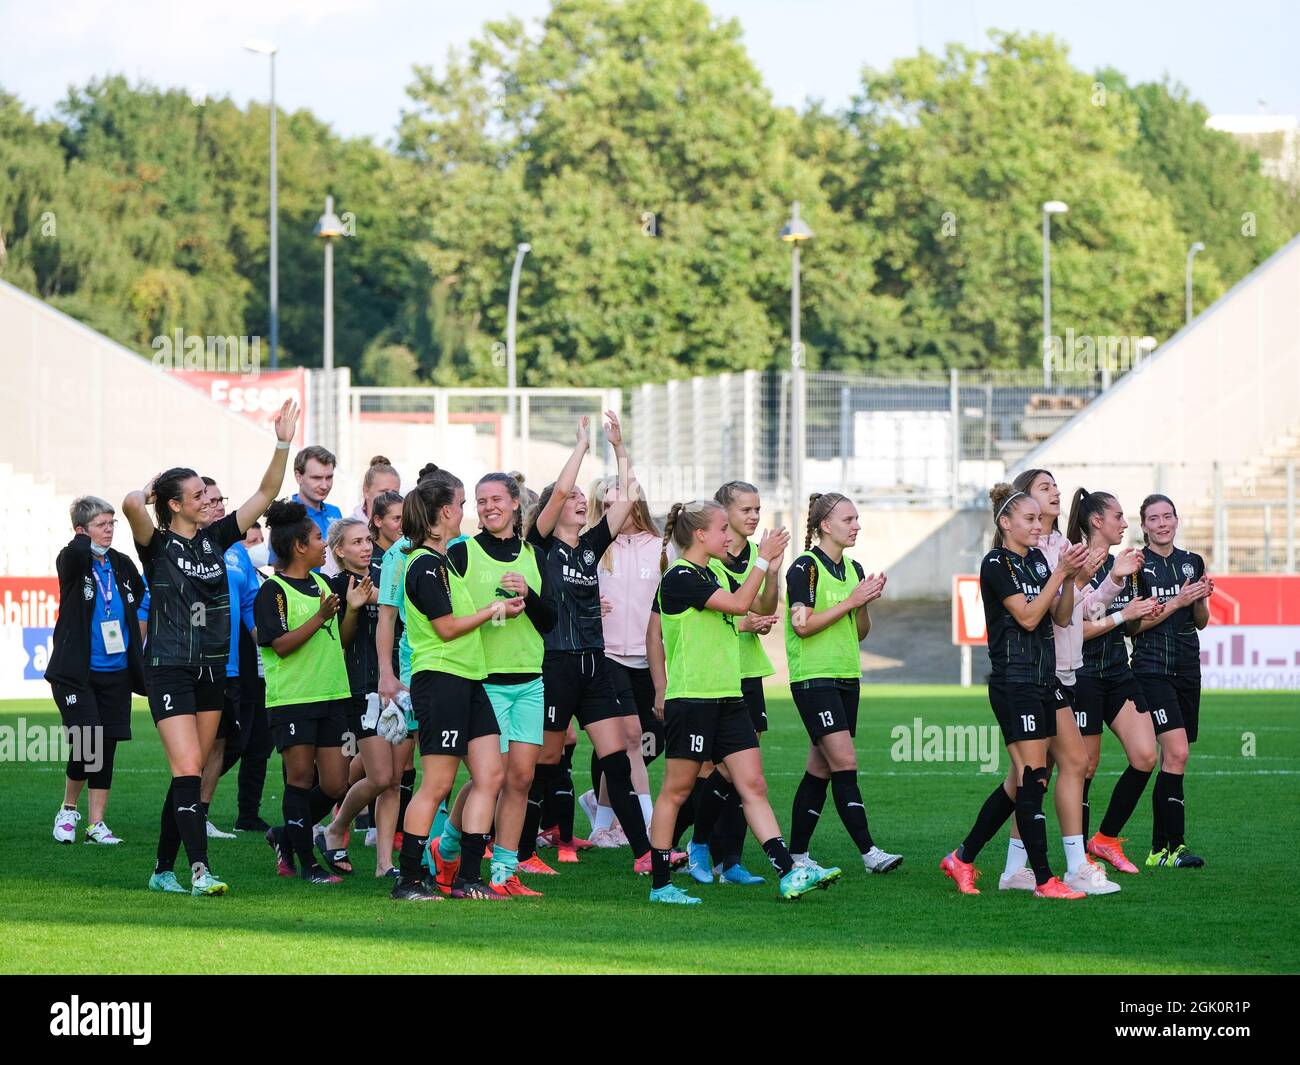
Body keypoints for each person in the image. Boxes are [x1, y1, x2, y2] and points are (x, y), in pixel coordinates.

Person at [122, 398, 298, 897]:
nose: (210, 500)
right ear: (175, 504)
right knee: (188, 771)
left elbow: (267, 491)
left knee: (191, 775)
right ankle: (200, 871)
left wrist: (283, 442)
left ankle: (161, 869)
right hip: (169, 669)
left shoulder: (216, 539)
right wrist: (156, 487)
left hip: (212, 671)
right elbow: (133, 502)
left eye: (209, 493)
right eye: (199, 494)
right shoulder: (156, 545)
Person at [645, 499, 836, 905]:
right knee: (676, 792)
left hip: (729, 697)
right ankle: (661, 883)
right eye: (721, 530)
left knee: (753, 784)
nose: (729, 536)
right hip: (692, 700)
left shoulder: (712, 571)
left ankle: (788, 872)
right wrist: (762, 561)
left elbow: (752, 605)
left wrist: (771, 569)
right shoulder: (679, 576)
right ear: (700, 535)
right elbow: (734, 604)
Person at [518, 415, 659, 876]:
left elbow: (627, 499)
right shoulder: (539, 546)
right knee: (546, 761)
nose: (580, 502)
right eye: (574, 498)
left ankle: (644, 854)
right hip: (555, 664)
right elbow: (559, 491)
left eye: (583, 498)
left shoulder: (589, 548)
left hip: (594, 666)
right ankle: (522, 852)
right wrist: (580, 447)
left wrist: (619, 448)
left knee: (616, 758)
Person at [940, 483, 1089, 900]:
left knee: (1064, 764)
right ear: (1005, 523)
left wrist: (1070, 579)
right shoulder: (995, 564)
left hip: (1046, 680)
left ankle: (963, 857)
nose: (1039, 525)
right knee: (1033, 777)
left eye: (1040, 518)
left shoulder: (1040, 562)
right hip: (1015, 681)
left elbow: (1058, 617)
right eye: (1030, 518)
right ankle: (1044, 880)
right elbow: (1025, 617)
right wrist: (1060, 573)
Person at [995, 470, 1121, 896]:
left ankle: (1026, 867)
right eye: (1044, 490)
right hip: (1028, 677)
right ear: (1017, 510)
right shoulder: (1006, 559)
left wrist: (1085, 577)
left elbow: (1069, 613)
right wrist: (1070, 575)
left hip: (1058, 672)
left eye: (1054, 489)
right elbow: (1035, 615)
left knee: (1056, 769)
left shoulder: (1052, 550)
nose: (1055, 495)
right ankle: (1053, 869)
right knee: (1035, 777)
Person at [433, 473, 556, 897]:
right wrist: (494, 610)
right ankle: (448, 845)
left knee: (520, 779)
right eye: (481, 501)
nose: (488, 507)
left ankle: (504, 872)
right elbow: (448, 618)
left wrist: (530, 598)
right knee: (491, 777)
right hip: (483, 681)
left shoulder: (532, 555)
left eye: (497, 499)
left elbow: (550, 621)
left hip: (530, 680)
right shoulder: (462, 554)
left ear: (516, 503)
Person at [392, 470, 510, 901]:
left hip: (468, 679)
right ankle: (407, 880)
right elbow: (446, 628)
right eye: (462, 504)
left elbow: (462, 620)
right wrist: (493, 610)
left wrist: (500, 611)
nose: (466, 512)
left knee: (491, 774)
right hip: (441, 680)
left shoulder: (441, 561)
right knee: (438, 783)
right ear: (444, 511)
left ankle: (467, 877)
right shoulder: (423, 563)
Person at [783, 492, 903, 877]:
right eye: (848, 519)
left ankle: (797, 855)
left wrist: (863, 602)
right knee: (845, 762)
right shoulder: (805, 568)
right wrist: (851, 601)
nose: (856, 526)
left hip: (847, 677)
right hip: (814, 678)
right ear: (825, 526)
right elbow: (802, 626)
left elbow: (861, 633)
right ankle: (869, 852)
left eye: (857, 519)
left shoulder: (853, 568)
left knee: (820, 768)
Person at [257, 499, 367, 885]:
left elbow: (338, 642)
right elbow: (281, 645)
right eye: (319, 538)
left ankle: (286, 835)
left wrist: (350, 611)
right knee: (300, 780)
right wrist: (321, 617)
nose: (324, 544)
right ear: (300, 547)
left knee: (336, 783)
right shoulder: (272, 591)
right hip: (294, 700)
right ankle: (308, 865)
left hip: (333, 696)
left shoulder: (322, 584)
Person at [1066, 489, 1163, 875]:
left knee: (1145, 756)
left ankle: (1104, 839)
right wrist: (1125, 615)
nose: (1125, 523)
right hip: (1083, 676)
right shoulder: (1074, 562)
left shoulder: (1125, 563)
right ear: (1096, 522)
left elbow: (1131, 622)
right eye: (1118, 516)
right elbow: (1075, 630)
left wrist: (1146, 612)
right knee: (1086, 767)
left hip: (1118, 672)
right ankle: (1081, 858)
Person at [46, 497, 147, 845]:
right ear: (81, 530)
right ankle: (68, 809)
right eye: (101, 525)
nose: (109, 530)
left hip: (116, 672)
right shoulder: (72, 560)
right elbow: (75, 552)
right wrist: (82, 538)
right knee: (88, 740)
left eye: (111, 523)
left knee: (106, 746)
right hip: (77, 673)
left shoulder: (118, 562)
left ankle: (96, 824)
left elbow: (139, 589)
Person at [581, 474, 663, 850]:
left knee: (635, 744)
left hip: (650, 659)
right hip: (608, 654)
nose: (618, 509)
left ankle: (601, 814)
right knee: (630, 739)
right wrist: (589, 608)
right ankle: (645, 829)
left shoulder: (662, 547)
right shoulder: (595, 548)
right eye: (610, 503)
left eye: (624, 501)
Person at [1129, 494, 1211, 869]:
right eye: (1153, 518)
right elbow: (1134, 625)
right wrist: (1177, 602)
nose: (1161, 523)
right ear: (1143, 525)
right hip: (1150, 669)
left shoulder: (1191, 562)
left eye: (1167, 516)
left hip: (1186, 668)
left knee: (1173, 759)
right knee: (1177, 752)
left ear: (1177, 520)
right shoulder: (1136, 565)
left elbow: (1200, 621)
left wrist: (1199, 600)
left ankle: (1157, 850)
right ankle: (1174, 847)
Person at [195, 479, 260, 841]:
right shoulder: (181, 546)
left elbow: (249, 600)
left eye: (222, 500)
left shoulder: (236, 551)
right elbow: (147, 604)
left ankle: (199, 811)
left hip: (231, 663)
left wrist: (260, 638)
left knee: (226, 741)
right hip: (192, 661)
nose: (219, 506)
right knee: (204, 742)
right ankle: (187, 808)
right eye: (212, 499)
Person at [233, 522, 275, 832]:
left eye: (261, 540)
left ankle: (248, 813)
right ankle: (197, 804)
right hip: (244, 670)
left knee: (261, 745)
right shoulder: (238, 580)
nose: (258, 546)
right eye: (251, 541)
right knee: (235, 742)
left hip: (268, 674)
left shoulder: (267, 579)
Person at [323, 456, 400, 576]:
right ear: (366, 491)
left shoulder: (403, 530)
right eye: (383, 492)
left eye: (394, 493)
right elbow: (328, 576)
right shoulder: (344, 529)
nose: (389, 498)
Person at [269, 444, 342, 566]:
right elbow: (279, 567)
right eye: (316, 478)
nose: (324, 485)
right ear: (298, 477)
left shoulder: (334, 512)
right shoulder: (286, 515)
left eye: (329, 477)